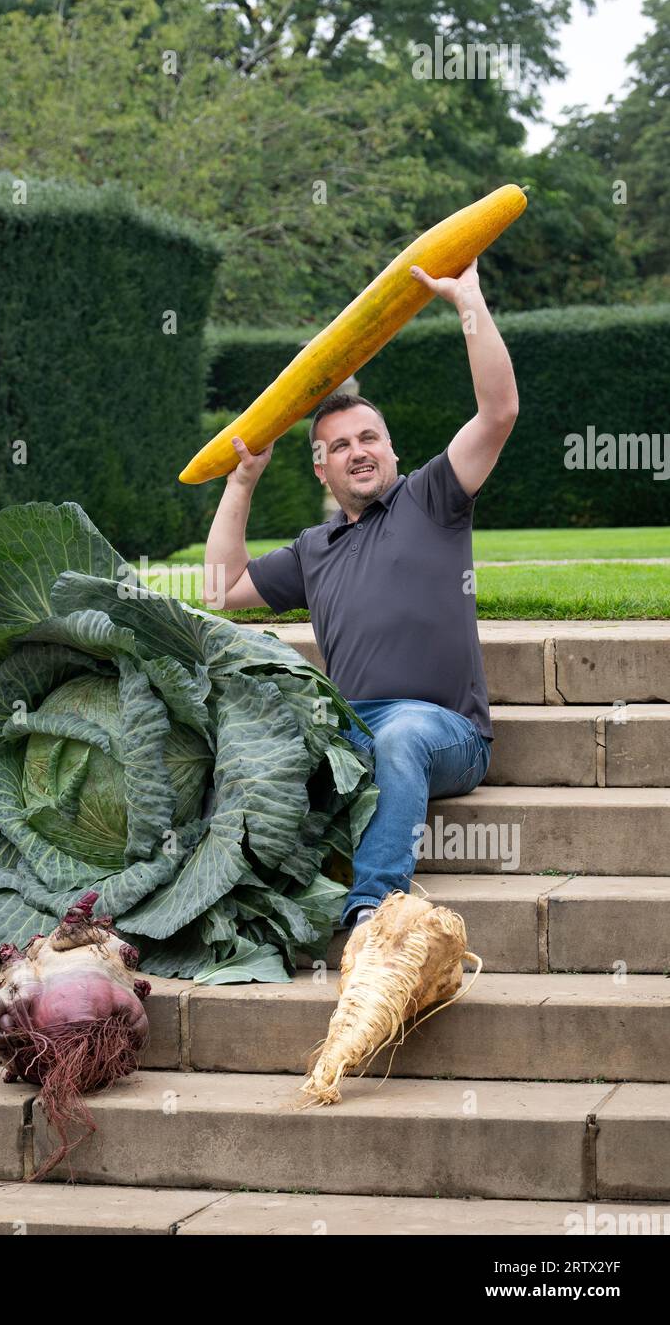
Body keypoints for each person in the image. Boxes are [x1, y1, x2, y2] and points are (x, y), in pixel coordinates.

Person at [202, 256, 518, 935]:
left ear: (393, 451)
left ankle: (371, 914)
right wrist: (240, 483)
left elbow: (497, 413)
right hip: (349, 734)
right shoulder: (312, 549)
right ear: (321, 466)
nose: (356, 451)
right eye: (339, 445)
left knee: (399, 737)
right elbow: (221, 589)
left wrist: (467, 303)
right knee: (242, 747)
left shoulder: (431, 499)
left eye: (368, 437)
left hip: (442, 732)